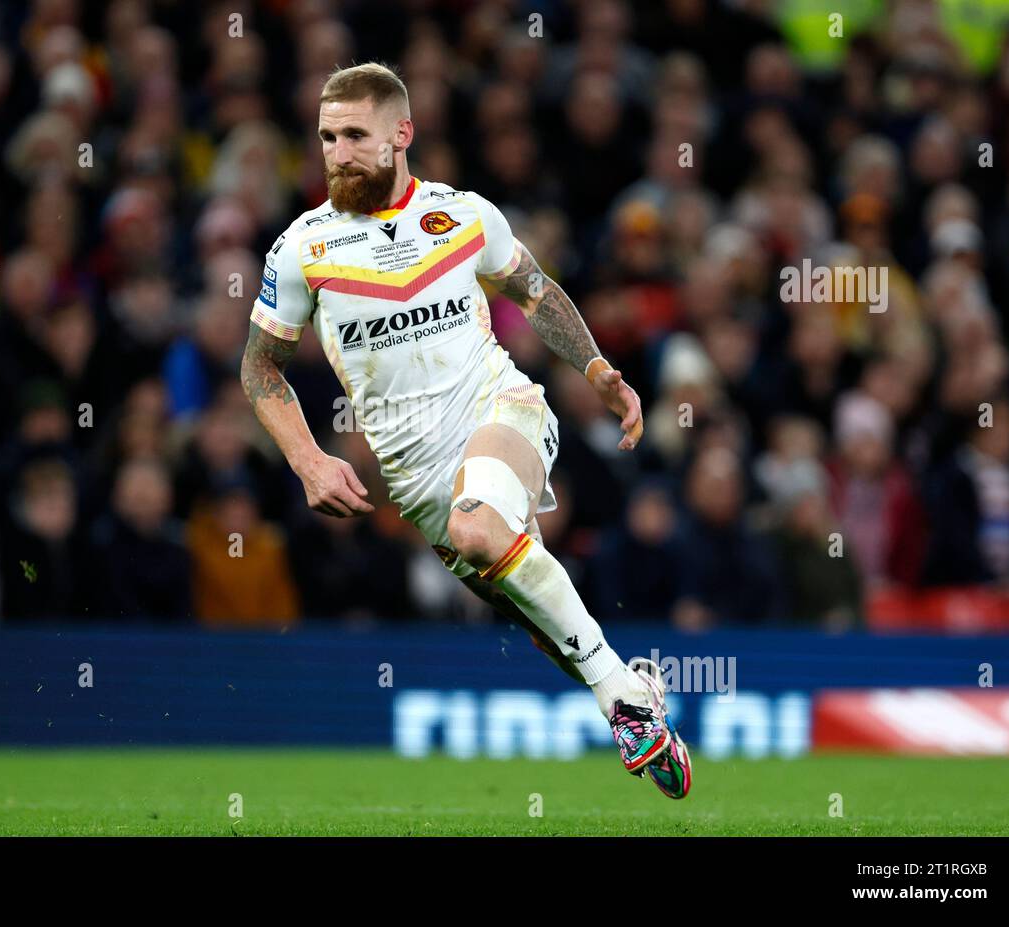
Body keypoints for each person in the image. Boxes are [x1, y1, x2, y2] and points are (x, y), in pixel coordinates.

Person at [239, 63, 690, 799]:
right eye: (327, 137)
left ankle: (621, 698)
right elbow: (260, 370)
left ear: (401, 134)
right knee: (534, 608)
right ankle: (628, 685)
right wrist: (308, 460)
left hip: (502, 407)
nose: (338, 152)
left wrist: (598, 367)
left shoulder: (464, 214)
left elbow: (535, 291)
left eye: (356, 135)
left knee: (481, 528)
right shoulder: (302, 249)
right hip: (416, 482)